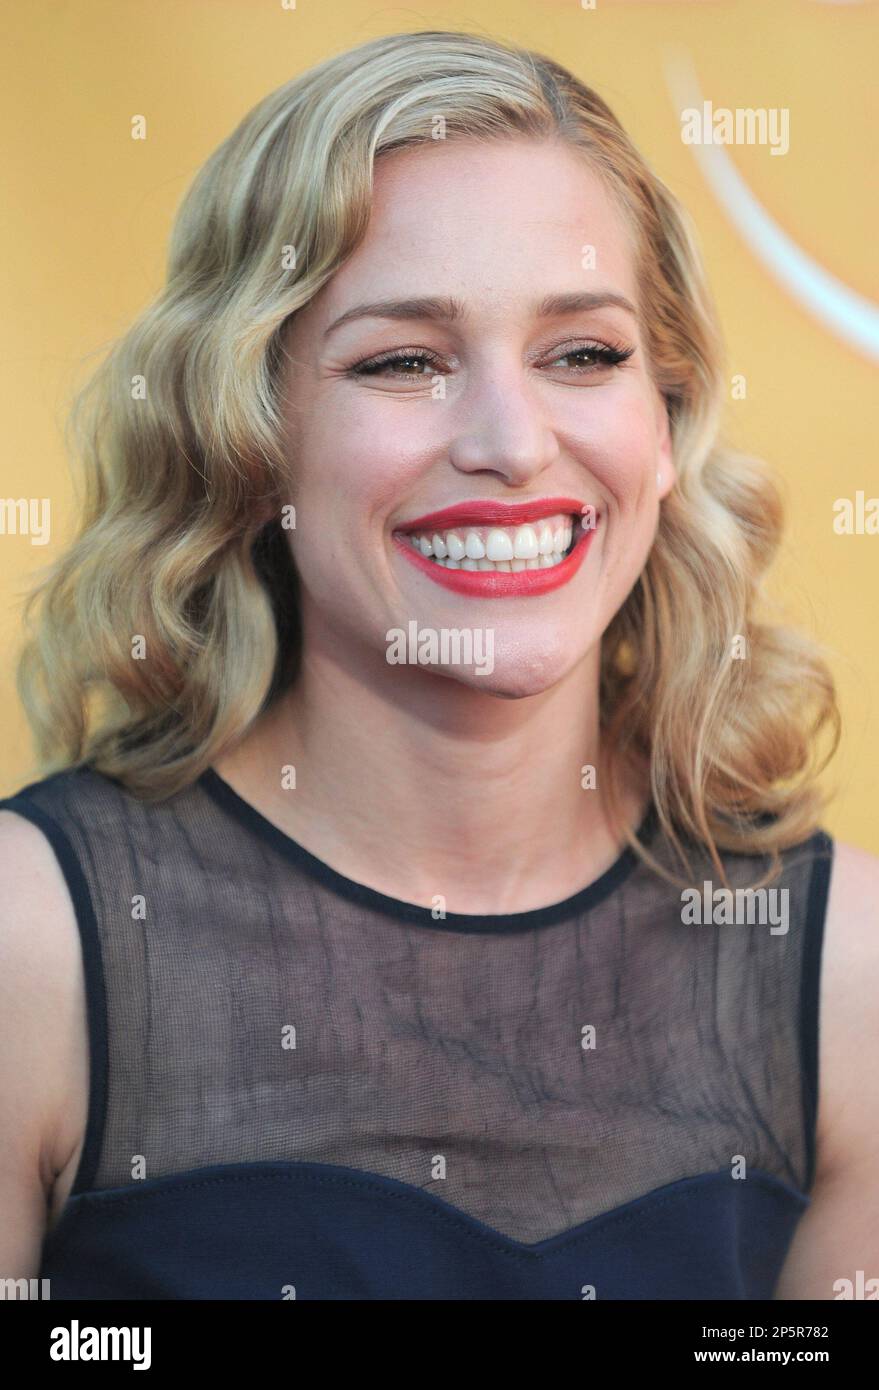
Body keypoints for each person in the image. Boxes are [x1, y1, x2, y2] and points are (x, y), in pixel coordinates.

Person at [1, 30, 876, 1301]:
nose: (515, 445)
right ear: (247, 435)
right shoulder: (34, 950)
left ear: (668, 418)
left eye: (584, 353)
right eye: (403, 359)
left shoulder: (843, 971)